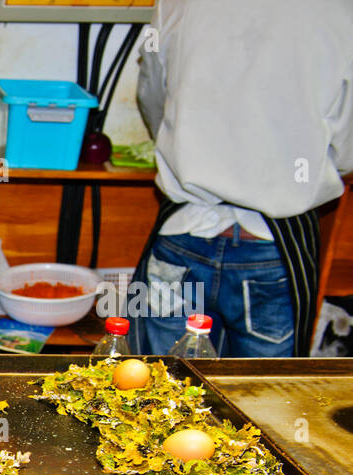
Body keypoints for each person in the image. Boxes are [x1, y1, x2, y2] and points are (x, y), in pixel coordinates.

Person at [132, 0, 353, 357]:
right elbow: (346, 151)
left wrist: (190, 153)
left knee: (164, 384)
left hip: (182, 233)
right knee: (259, 388)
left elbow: (152, 92)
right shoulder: (340, 11)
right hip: (270, 245)